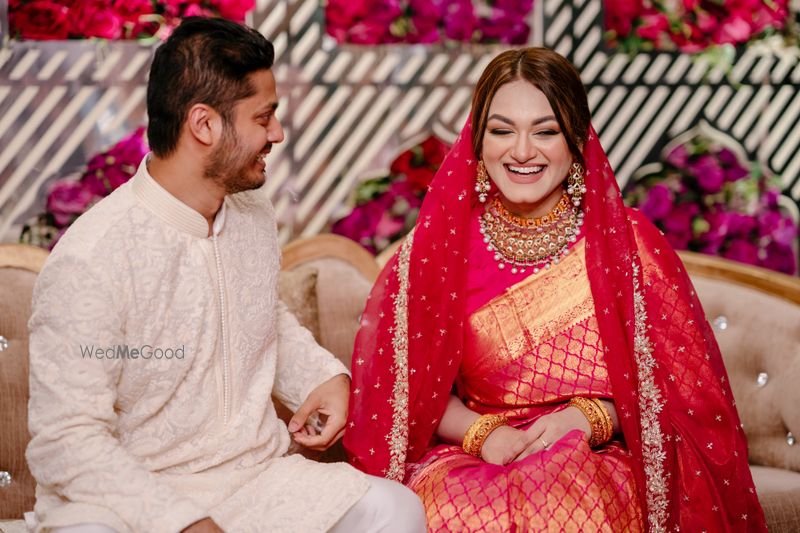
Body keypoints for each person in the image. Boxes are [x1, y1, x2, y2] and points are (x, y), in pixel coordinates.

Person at [25, 17, 425, 533]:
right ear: (204, 125)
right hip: (128, 500)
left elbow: (260, 311)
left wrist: (322, 377)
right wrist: (183, 522)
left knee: (395, 509)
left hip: (250, 479)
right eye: (264, 117)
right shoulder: (93, 258)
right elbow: (66, 442)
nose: (276, 134)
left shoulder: (250, 210)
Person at [344, 47, 767, 531]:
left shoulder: (629, 246)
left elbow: (685, 400)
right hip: (475, 455)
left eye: (545, 132)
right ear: (477, 143)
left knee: (570, 500)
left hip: (596, 458)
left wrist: (593, 417)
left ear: (577, 142)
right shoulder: (437, 251)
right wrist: (484, 433)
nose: (522, 151)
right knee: (448, 505)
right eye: (502, 131)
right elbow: (410, 392)